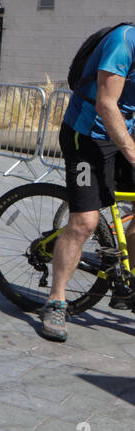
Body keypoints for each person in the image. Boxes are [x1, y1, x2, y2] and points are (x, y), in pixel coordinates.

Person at [40, 24, 135, 341]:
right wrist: (131, 152)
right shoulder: (123, 43)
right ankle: (56, 301)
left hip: (126, 131)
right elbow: (106, 104)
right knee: (84, 222)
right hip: (87, 134)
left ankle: (128, 284)